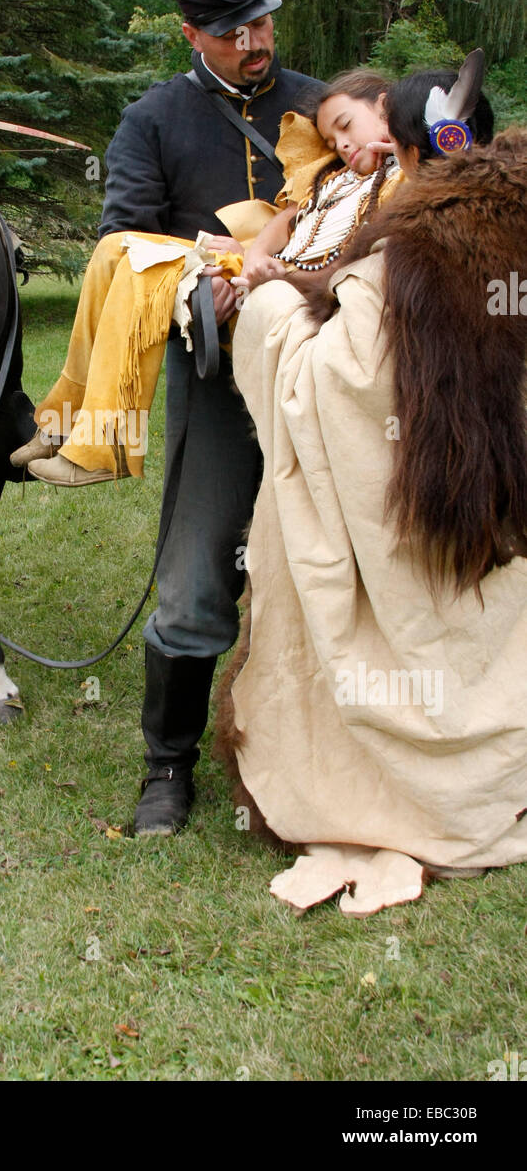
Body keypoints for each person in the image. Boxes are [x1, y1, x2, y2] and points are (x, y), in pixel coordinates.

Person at [22, 0, 326, 835]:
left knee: (334, 571)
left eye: (263, 22)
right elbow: (124, 248)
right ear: (194, 35)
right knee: (198, 578)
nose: (256, 42)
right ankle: (167, 767)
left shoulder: (323, 107)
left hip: (329, 381)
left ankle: (328, 761)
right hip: (219, 382)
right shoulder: (152, 121)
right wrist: (215, 278)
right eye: (235, 31)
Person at [215, 70, 520, 917]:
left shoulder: (401, 265)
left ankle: (399, 791)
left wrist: (274, 307)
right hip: (498, 522)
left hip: (416, 513)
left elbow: (341, 388)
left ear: (414, 153)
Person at [17, 70, 402, 485]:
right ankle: (66, 417)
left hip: (285, 296)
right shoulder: (337, 175)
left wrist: (409, 143)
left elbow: (354, 258)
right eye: (331, 140)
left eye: (345, 127)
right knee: (114, 248)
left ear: (385, 107)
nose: (341, 145)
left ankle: (105, 443)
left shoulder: (406, 174)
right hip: (252, 267)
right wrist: (252, 254)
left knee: (138, 266)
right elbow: (287, 221)